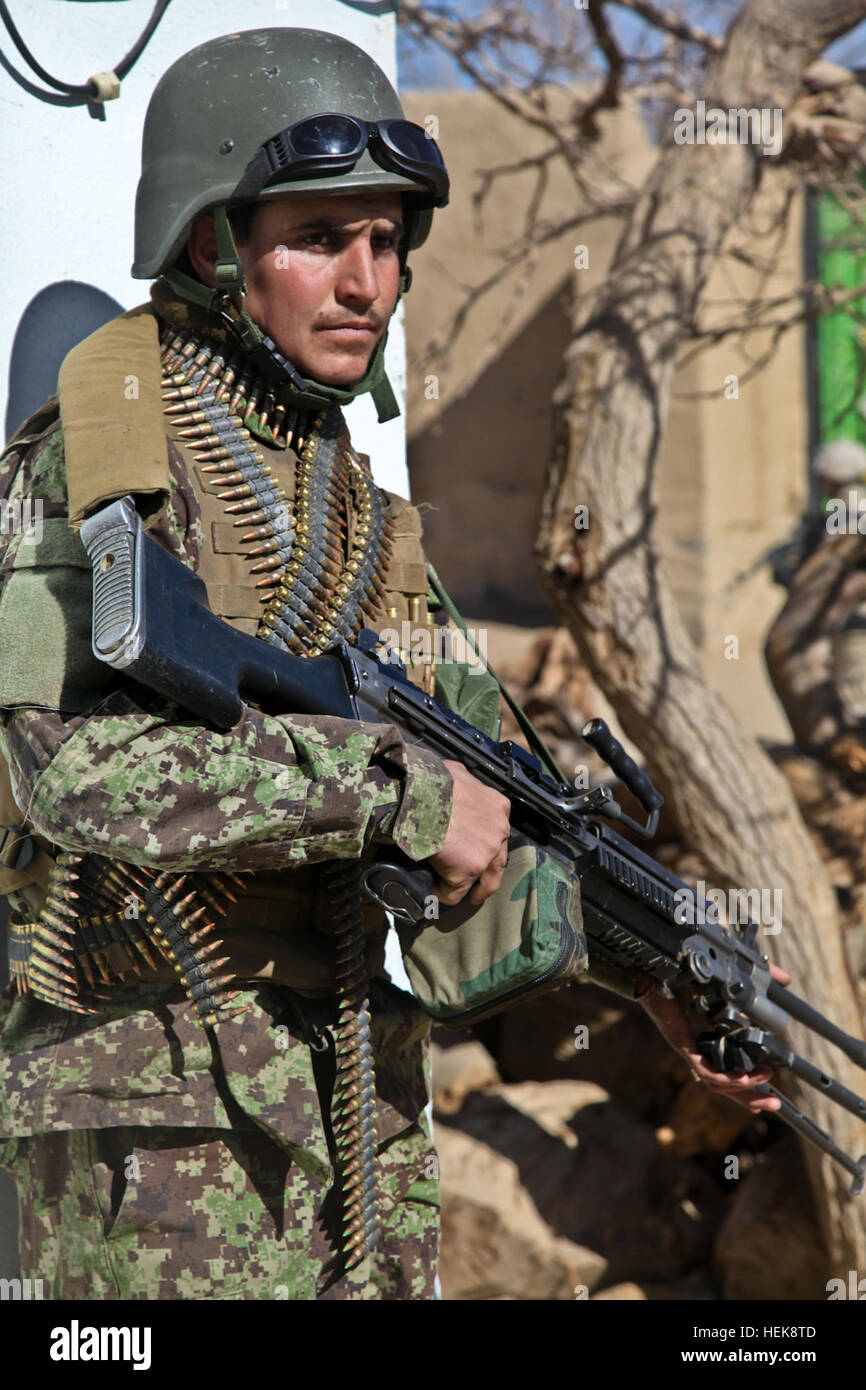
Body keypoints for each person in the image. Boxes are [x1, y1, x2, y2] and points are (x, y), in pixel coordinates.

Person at [0, 26, 784, 1303]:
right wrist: (390, 794)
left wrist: (663, 961)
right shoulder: (95, 470)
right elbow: (62, 768)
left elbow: (506, 802)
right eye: (319, 238)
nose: (366, 280)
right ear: (212, 242)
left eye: (385, 241)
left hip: (359, 1120)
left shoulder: (363, 512)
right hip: (158, 1145)